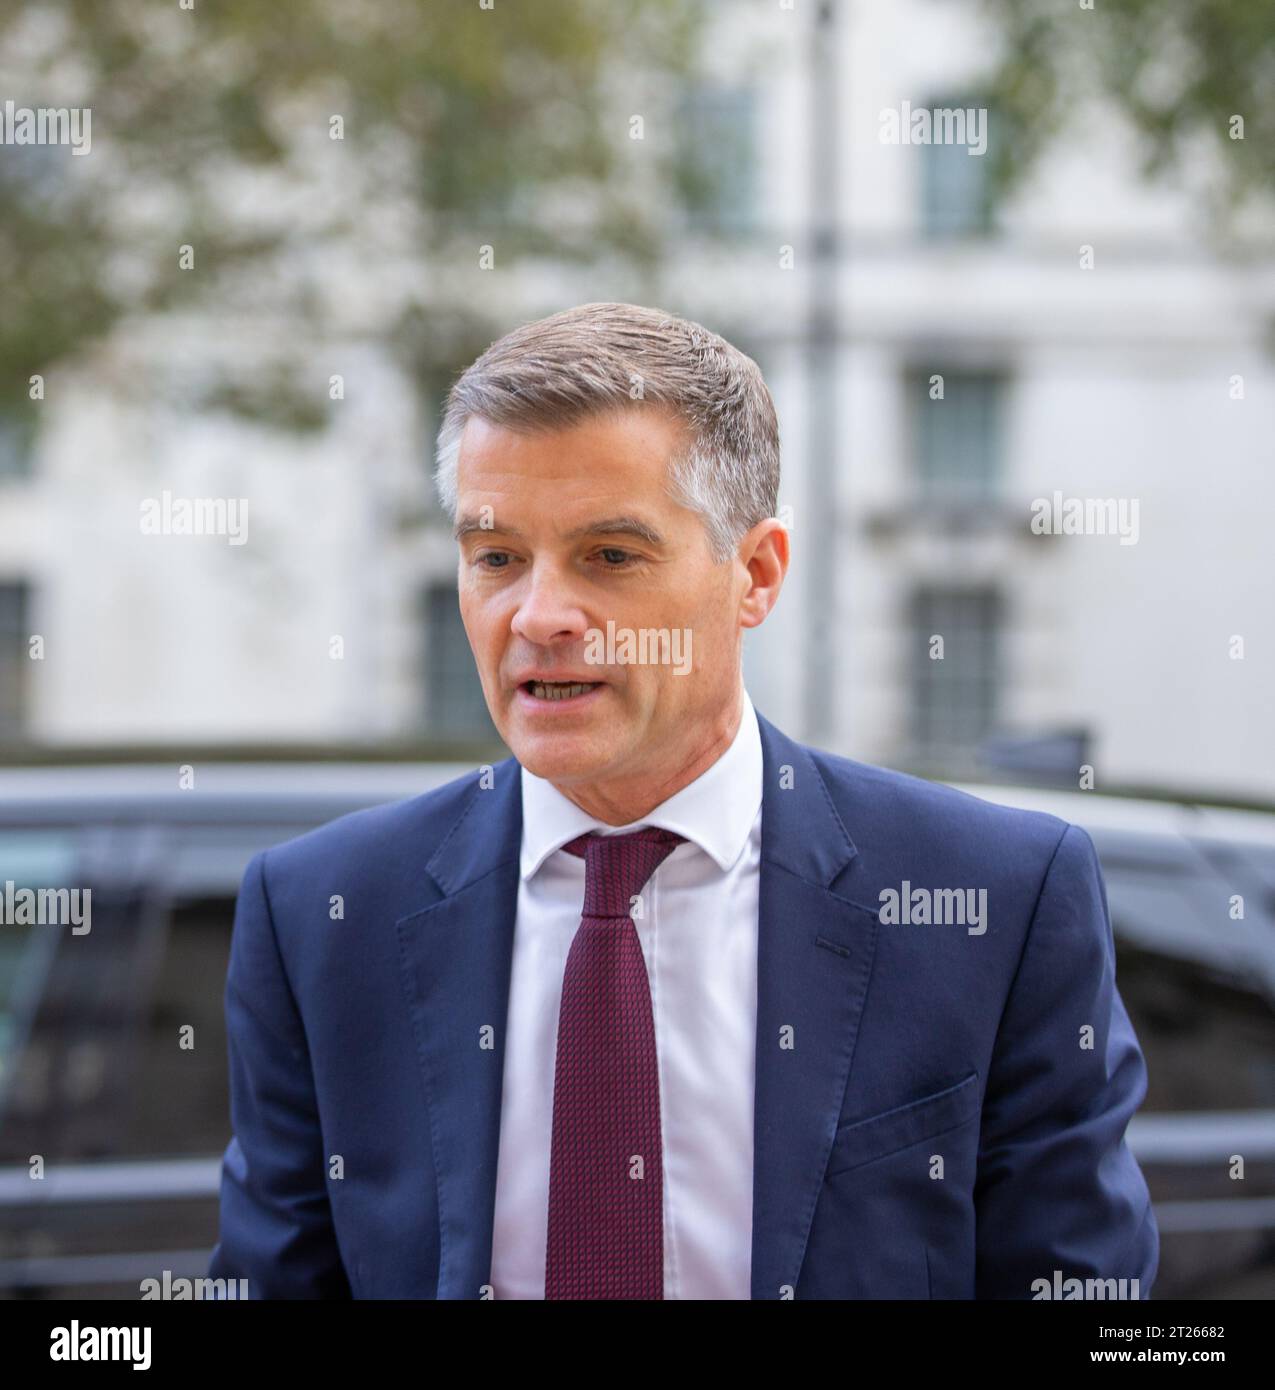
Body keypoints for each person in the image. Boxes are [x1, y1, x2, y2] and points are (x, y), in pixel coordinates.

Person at [208, 301, 1158, 1299]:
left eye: (610, 556)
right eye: (496, 557)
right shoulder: (318, 911)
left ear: (754, 574)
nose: (537, 614)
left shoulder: (997, 900)